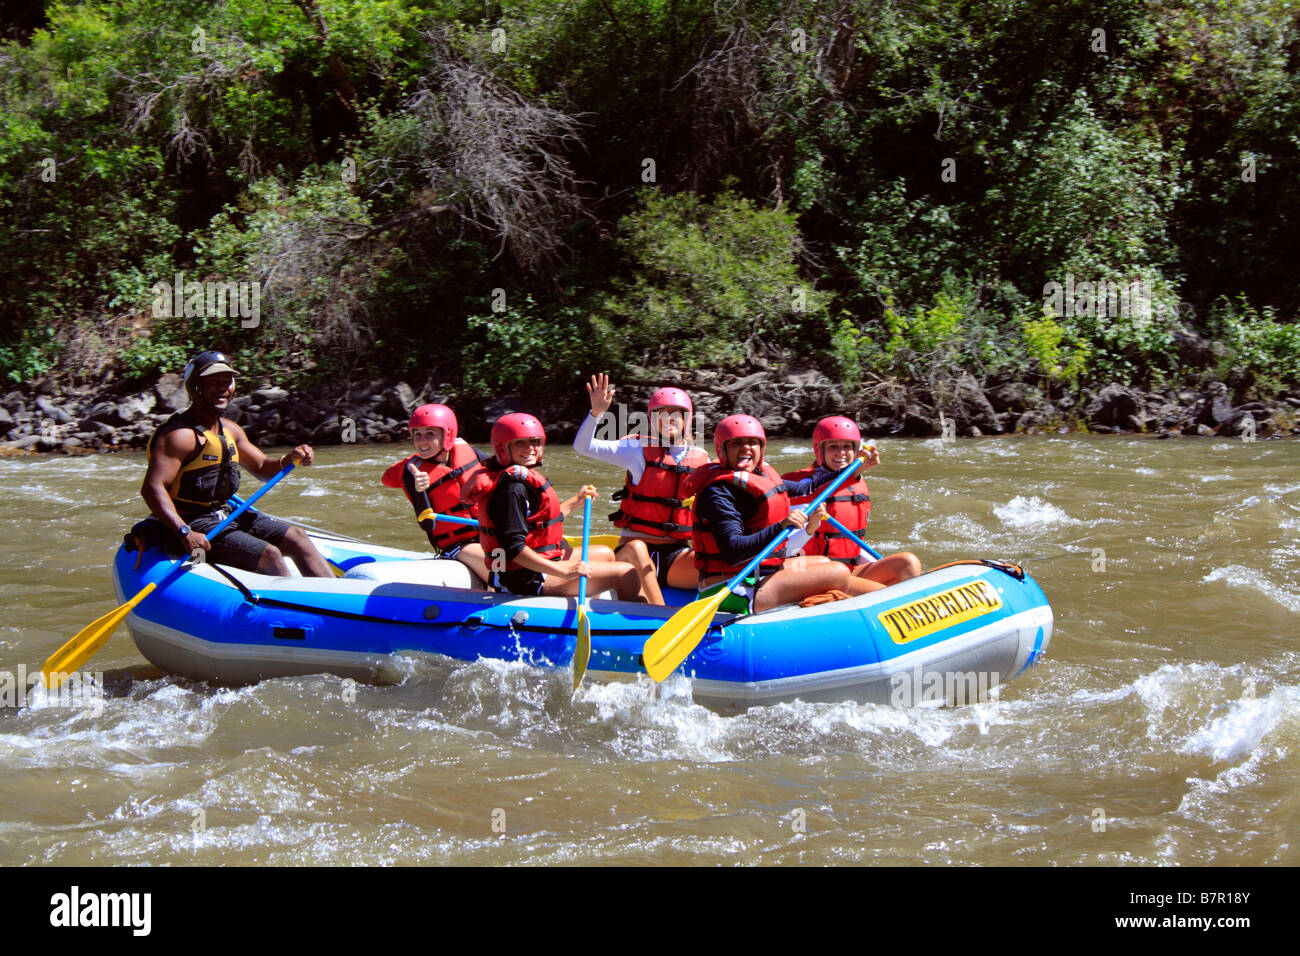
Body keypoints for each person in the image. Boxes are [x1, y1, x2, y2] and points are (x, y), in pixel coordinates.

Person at [140, 351, 333, 577]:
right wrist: (185, 532)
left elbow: (262, 467)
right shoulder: (179, 436)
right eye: (213, 382)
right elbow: (152, 488)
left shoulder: (230, 430)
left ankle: (339, 602)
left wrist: (289, 459)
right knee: (269, 554)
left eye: (227, 382)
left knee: (297, 537)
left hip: (225, 513)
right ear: (195, 387)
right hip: (190, 521)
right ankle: (295, 609)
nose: (223, 388)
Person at [461, 413, 664, 604]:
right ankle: (646, 627)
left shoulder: (518, 482)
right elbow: (514, 550)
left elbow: (541, 523)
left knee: (605, 554)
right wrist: (563, 571)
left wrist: (576, 500)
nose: (530, 448)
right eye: (520, 443)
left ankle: (599, 612)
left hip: (534, 565)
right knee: (626, 573)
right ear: (502, 448)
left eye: (534, 442)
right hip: (524, 579)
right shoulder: (512, 490)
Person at [680, 414, 856, 612]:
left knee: (823, 561)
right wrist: (781, 527)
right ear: (723, 450)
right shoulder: (719, 494)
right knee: (838, 573)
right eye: (737, 443)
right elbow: (734, 553)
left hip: (755, 574)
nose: (746, 447)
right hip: (729, 588)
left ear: (761, 448)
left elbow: (809, 488)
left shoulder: (761, 476)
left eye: (752, 442)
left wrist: (854, 469)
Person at [574, 373, 709, 594]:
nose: (668, 419)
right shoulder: (636, 450)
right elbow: (584, 447)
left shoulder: (702, 458)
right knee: (637, 549)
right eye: (661, 414)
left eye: (675, 413)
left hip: (675, 557)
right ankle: (660, 618)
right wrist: (596, 414)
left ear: (688, 418)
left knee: (716, 563)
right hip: (632, 554)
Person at [783, 416, 922, 592]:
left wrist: (876, 563)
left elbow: (850, 540)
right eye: (833, 446)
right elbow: (786, 547)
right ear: (820, 450)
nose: (841, 452)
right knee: (882, 592)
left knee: (907, 564)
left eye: (847, 446)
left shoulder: (856, 482)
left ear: (856, 450)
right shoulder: (801, 483)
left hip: (848, 570)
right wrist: (853, 473)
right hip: (813, 575)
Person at [382, 403, 491, 583]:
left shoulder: (467, 450)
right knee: (500, 568)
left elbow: (501, 471)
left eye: (430, 433)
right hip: (459, 545)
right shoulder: (413, 472)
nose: (421, 441)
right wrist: (419, 491)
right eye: (417, 434)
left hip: (491, 533)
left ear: (448, 434)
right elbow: (426, 524)